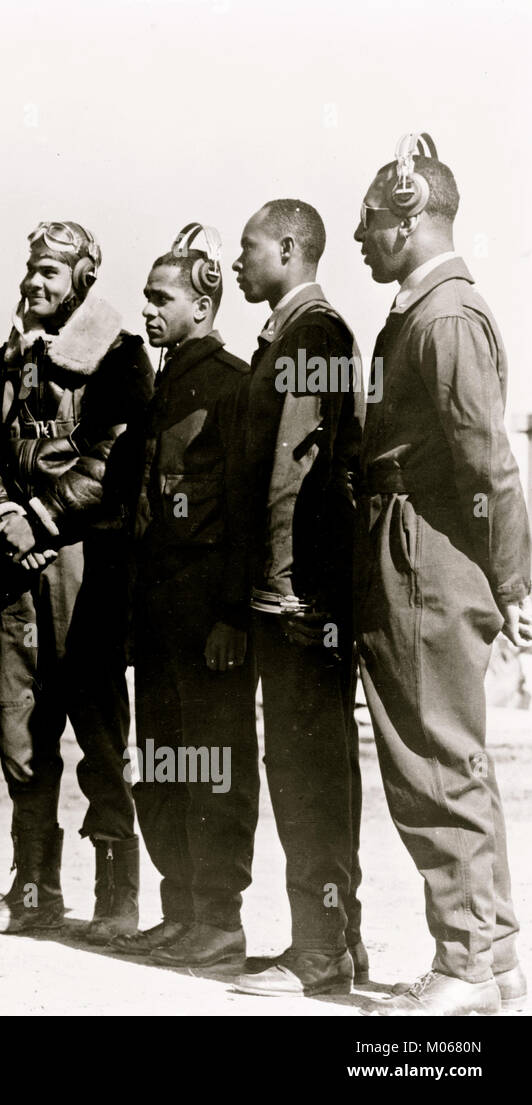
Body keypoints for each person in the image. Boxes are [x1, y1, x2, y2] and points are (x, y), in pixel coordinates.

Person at [352, 135, 531, 1015]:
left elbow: (489, 465)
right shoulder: (425, 311)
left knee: (430, 759)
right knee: (453, 756)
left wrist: (515, 583)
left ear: (412, 214)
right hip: (421, 545)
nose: (360, 237)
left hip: (424, 551)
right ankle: (491, 956)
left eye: (372, 222)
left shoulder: (445, 315)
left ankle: (462, 961)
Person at [0, 221, 153, 942]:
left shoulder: (122, 357)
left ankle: (116, 894)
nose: (36, 282)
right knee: (20, 722)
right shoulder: (7, 361)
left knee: (99, 726)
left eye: (51, 271)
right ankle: (34, 884)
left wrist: (43, 517)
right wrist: (6, 512)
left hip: (86, 565)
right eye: (31, 268)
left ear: (83, 278)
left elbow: (114, 455)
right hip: (15, 562)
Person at [227, 200, 368, 997]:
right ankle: (335, 942)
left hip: (300, 602)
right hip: (300, 596)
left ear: (287, 247)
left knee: (308, 769)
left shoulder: (312, 334)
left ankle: (320, 950)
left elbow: (295, 474)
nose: (240, 262)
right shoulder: (295, 333)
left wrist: (281, 592)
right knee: (310, 767)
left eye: (249, 248)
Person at [109, 224, 259, 969]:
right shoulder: (159, 388)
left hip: (208, 618)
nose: (148, 310)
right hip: (159, 615)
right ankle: (181, 909)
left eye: (161, 297)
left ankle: (220, 920)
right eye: (145, 296)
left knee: (212, 764)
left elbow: (245, 511)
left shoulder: (233, 385)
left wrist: (234, 613)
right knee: (163, 764)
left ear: (203, 305)